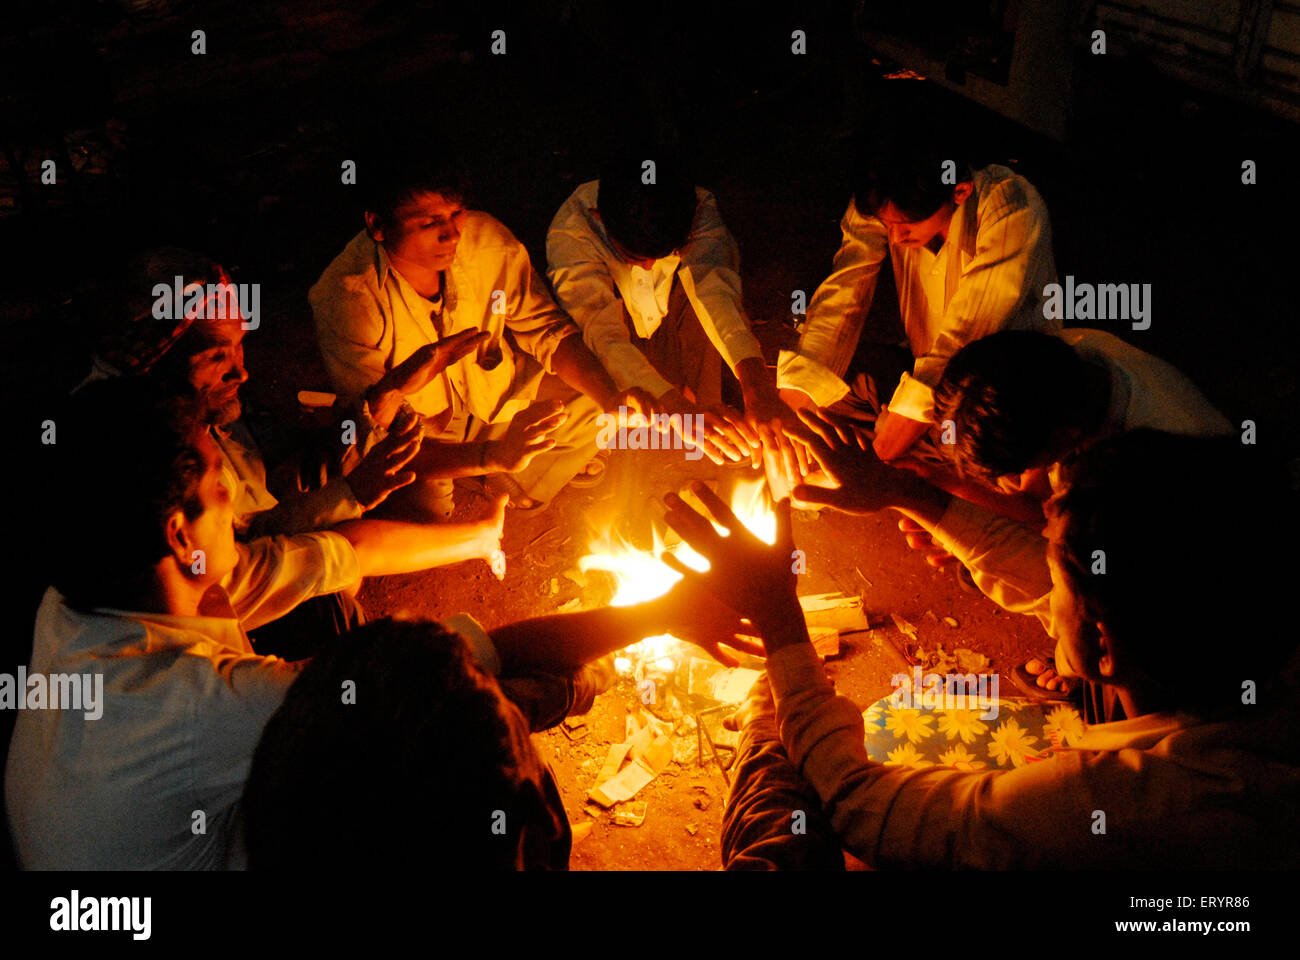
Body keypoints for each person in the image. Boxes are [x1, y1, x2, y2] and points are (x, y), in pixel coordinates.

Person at [659, 442, 1299, 869]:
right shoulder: (1235, 638)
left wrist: (780, 630)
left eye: (1063, 593)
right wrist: (906, 493)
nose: (1046, 603)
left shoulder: (1128, 806)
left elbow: (866, 809)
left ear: (1103, 645)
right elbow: (1061, 581)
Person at [4, 379, 504, 869]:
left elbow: (341, 553)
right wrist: (549, 646)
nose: (234, 503)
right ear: (178, 535)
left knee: (330, 611)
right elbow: (410, 683)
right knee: (448, 763)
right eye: (220, 483)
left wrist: (480, 538)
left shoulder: (83, 595)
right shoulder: (195, 705)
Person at [241, 580, 767, 869]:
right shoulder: (523, 827)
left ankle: (574, 687)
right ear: (544, 823)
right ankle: (574, 688)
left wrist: (659, 613)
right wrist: (773, 711)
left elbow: (486, 657)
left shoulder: (291, 809)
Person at [311, 143, 653, 517]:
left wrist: (609, 398)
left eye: (455, 213)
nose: (451, 234)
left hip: (491, 397)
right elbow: (376, 431)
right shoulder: (348, 296)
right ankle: (485, 467)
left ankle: (503, 478)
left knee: (597, 393)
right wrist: (490, 454)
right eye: (428, 223)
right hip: (419, 434)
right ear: (377, 225)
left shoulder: (485, 240)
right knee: (423, 519)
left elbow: (547, 330)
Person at [776, 136, 1059, 463]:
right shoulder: (885, 192)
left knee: (965, 455)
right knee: (832, 394)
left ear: (959, 192)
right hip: (923, 372)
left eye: (906, 225)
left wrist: (878, 461)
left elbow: (958, 345)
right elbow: (844, 289)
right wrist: (794, 412)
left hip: (999, 397)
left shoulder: (1010, 208)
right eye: (886, 224)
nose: (894, 237)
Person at [547, 155, 789, 464]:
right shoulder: (574, 230)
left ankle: (714, 426)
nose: (649, 267)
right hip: (619, 335)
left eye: (664, 253)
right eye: (633, 257)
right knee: (576, 347)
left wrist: (757, 387)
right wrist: (672, 407)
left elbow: (717, 294)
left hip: (670, 331)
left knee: (704, 294)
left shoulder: (699, 207)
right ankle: (623, 439)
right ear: (599, 217)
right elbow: (601, 333)